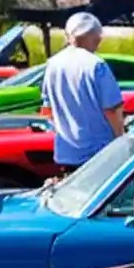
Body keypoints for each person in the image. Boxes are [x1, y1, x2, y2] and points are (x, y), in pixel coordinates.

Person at [41, 12, 125, 174]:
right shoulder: (96, 65)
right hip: (100, 154)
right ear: (92, 37)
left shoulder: (52, 65)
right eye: (97, 36)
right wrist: (120, 139)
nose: (99, 41)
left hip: (66, 154)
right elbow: (112, 109)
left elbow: (47, 111)